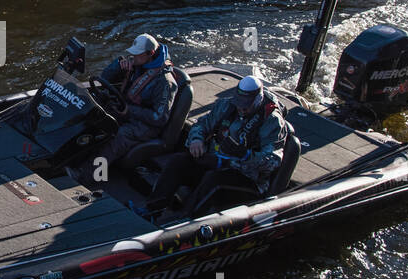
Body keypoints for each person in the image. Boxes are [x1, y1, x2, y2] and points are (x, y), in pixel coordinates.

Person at [148, 75, 291, 217]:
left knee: (214, 180)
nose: (241, 108)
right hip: (217, 161)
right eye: (239, 103)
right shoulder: (227, 106)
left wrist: (244, 155)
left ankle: (186, 221)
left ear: (258, 99)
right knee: (178, 162)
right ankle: (153, 209)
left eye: (246, 105)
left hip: (246, 177)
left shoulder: (272, 122)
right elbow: (202, 124)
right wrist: (196, 140)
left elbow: (273, 161)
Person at [70, 33, 176, 184]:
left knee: (119, 136)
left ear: (150, 54)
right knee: (96, 117)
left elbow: (159, 118)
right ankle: (73, 158)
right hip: (127, 111)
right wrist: (117, 67)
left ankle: (90, 176)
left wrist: (129, 111)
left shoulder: (165, 82)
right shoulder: (138, 64)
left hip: (145, 124)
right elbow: (104, 77)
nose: (133, 57)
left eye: (137, 55)